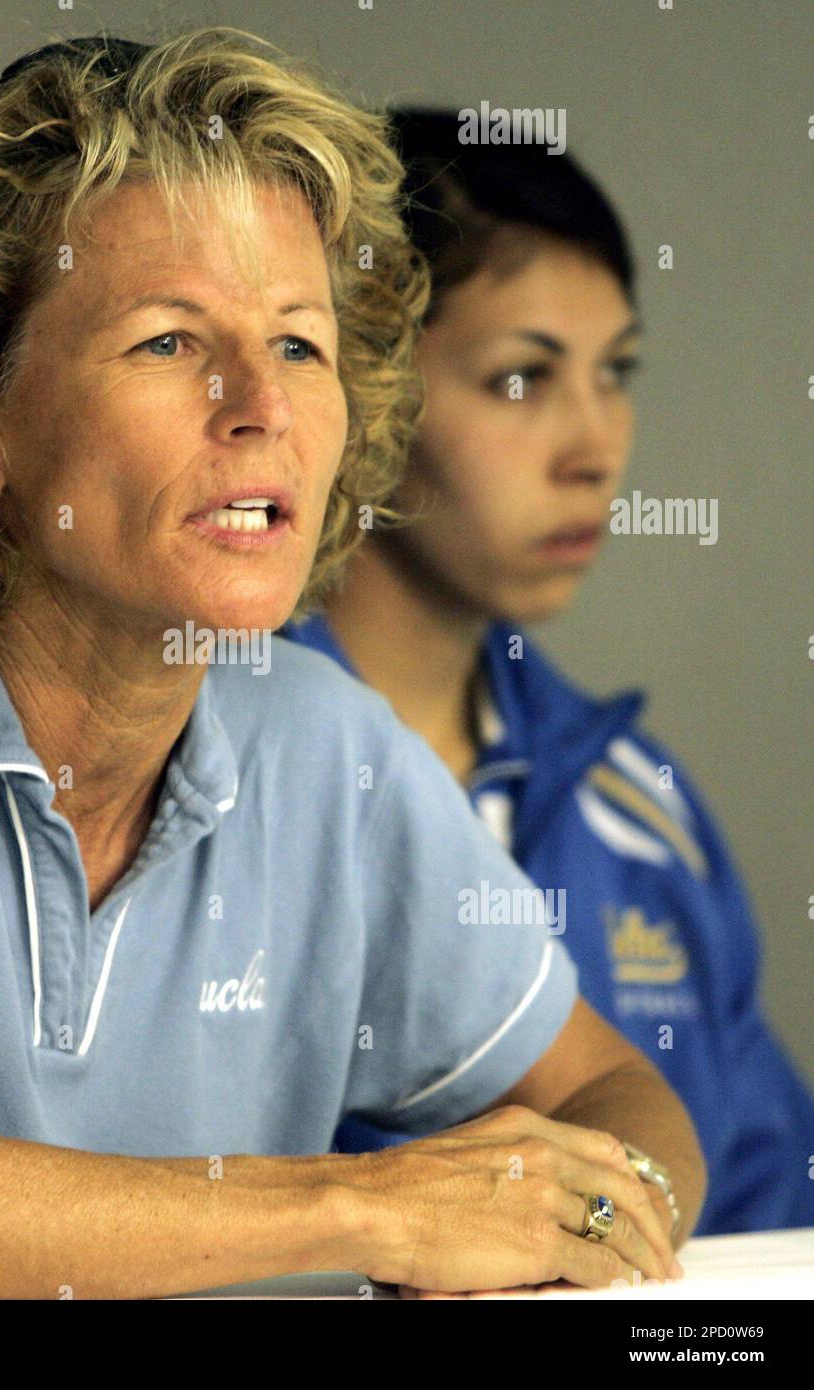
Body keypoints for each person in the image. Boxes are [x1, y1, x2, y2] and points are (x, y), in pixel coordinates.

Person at [0, 31, 701, 1301]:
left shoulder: (320, 743)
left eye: (299, 344)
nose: (263, 405)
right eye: (171, 342)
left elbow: (619, 1096)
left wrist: (572, 1224)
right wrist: (368, 1207)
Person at [283, 107, 814, 1236]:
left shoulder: (642, 814)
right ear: (362, 388)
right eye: (523, 379)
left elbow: (770, 1233)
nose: (596, 447)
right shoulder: (181, 764)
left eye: (615, 372)